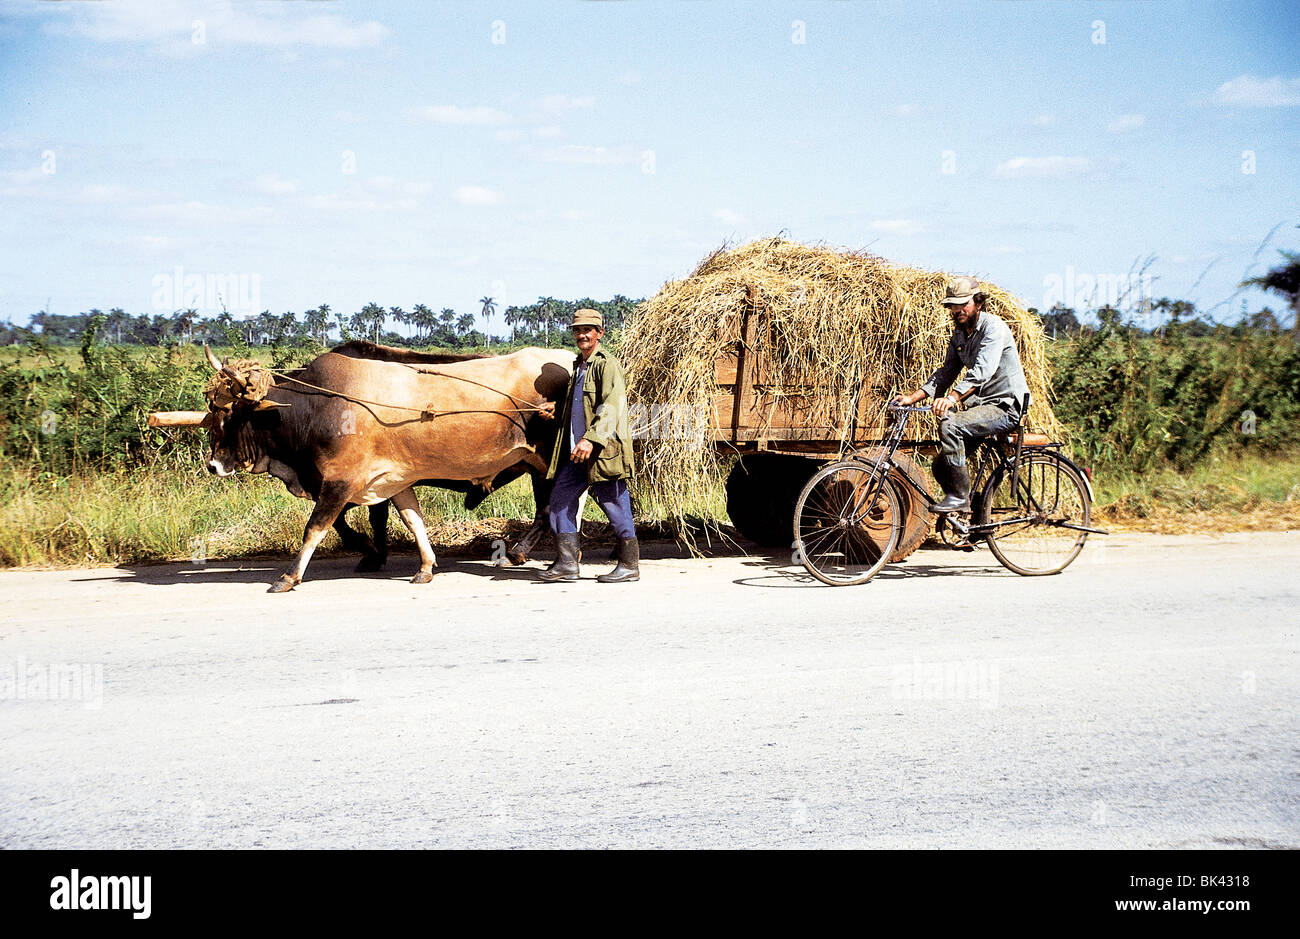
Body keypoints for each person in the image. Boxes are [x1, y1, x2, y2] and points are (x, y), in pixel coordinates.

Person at [892, 275, 1031, 513]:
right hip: (982, 407)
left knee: (951, 424)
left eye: (963, 304)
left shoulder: (993, 328)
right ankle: (970, 518)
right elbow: (946, 372)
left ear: (977, 302)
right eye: (953, 306)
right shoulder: (959, 335)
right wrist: (912, 398)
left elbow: (982, 371)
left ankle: (960, 498)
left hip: (1005, 406)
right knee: (941, 465)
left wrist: (952, 398)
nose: (957, 310)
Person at [536, 308, 639, 583]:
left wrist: (590, 440)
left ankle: (629, 565)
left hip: (602, 451)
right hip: (578, 453)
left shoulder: (607, 364)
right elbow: (581, 406)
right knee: (559, 500)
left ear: (599, 333)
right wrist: (556, 409)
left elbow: (611, 408)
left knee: (615, 504)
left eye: (588, 330)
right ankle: (568, 564)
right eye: (577, 330)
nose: (582, 334)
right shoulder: (580, 366)